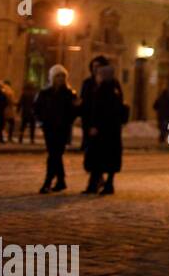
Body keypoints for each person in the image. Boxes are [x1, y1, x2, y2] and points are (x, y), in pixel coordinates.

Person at [81, 60, 125, 195]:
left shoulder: (105, 89)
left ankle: (100, 184)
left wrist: (95, 125)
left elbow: (100, 109)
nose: (97, 74)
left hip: (103, 130)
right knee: (101, 157)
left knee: (100, 156)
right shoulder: (107, 87)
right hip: (108, 129)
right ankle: (101, 183)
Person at [34, 65, 77, 193]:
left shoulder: (69, 94)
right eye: (58, 76)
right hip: (49, 128)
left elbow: (73, 111)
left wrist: (69, 120)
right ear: (52, 77)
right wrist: (40, 121)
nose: (60, 78)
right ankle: (61, 181)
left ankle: (48, 182)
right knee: (55, 155)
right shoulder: (44, 93)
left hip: (62, 129)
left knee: (54, 155)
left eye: (63, 76)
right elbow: (36, 108)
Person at [77, 55, 107, 162]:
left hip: (102, 122)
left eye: (98, 66)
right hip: (88, 120)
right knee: (89, 147)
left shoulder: (109, 83)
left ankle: (96, 173)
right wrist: (79, 112)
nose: (95, 69)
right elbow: (83, 100)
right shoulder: (87, 83)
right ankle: (92, 170)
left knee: (100, 148)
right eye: (94, 66)